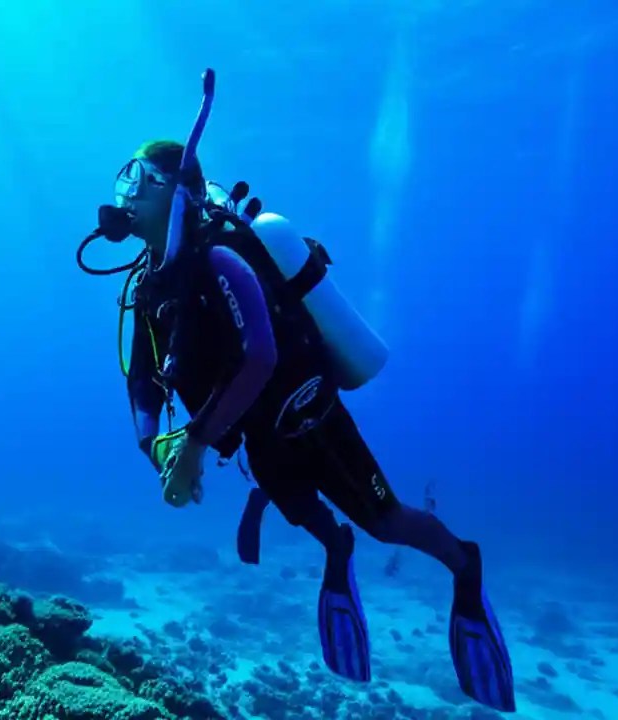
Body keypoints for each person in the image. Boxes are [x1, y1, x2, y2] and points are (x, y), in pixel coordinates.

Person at [80, 139, 516, 713]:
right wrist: (151, 446)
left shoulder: (219, 257)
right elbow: (140, 378)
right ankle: (338, 549)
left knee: (385, 521)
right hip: (252, 434)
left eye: (138, 179)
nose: (125, 196)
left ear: (177, 191)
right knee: (306, 515)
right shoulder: (147, 286)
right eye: (122, 182)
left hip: (308, 413)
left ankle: (465, 565)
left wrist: (192, 446)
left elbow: (260, 357)